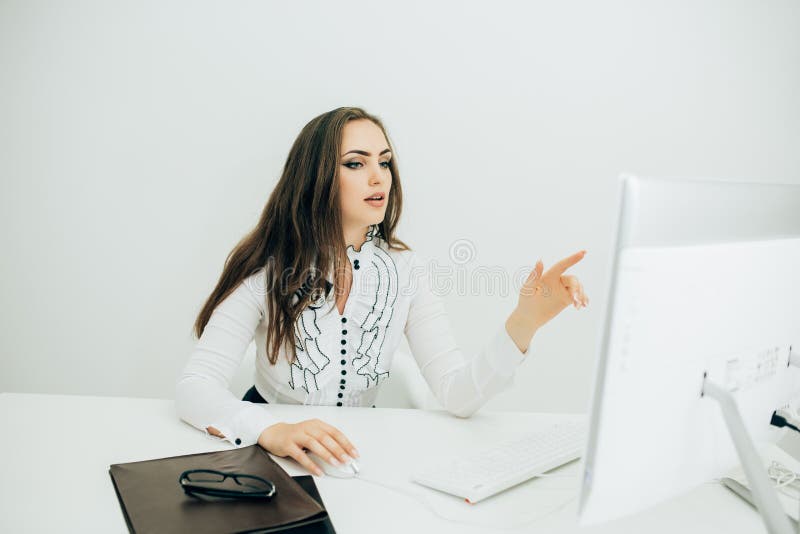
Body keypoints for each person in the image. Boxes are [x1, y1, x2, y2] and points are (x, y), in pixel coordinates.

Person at [176, 106, 589, 477]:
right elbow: (195, 386)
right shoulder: (265, 269)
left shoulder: (405, 271)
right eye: (355, 163)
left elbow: (456, 393)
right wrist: (271, 429)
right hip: (269, 456)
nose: (379, 177)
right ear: (315, 179)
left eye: (385, 162)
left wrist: (525, 322)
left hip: (357, 455)